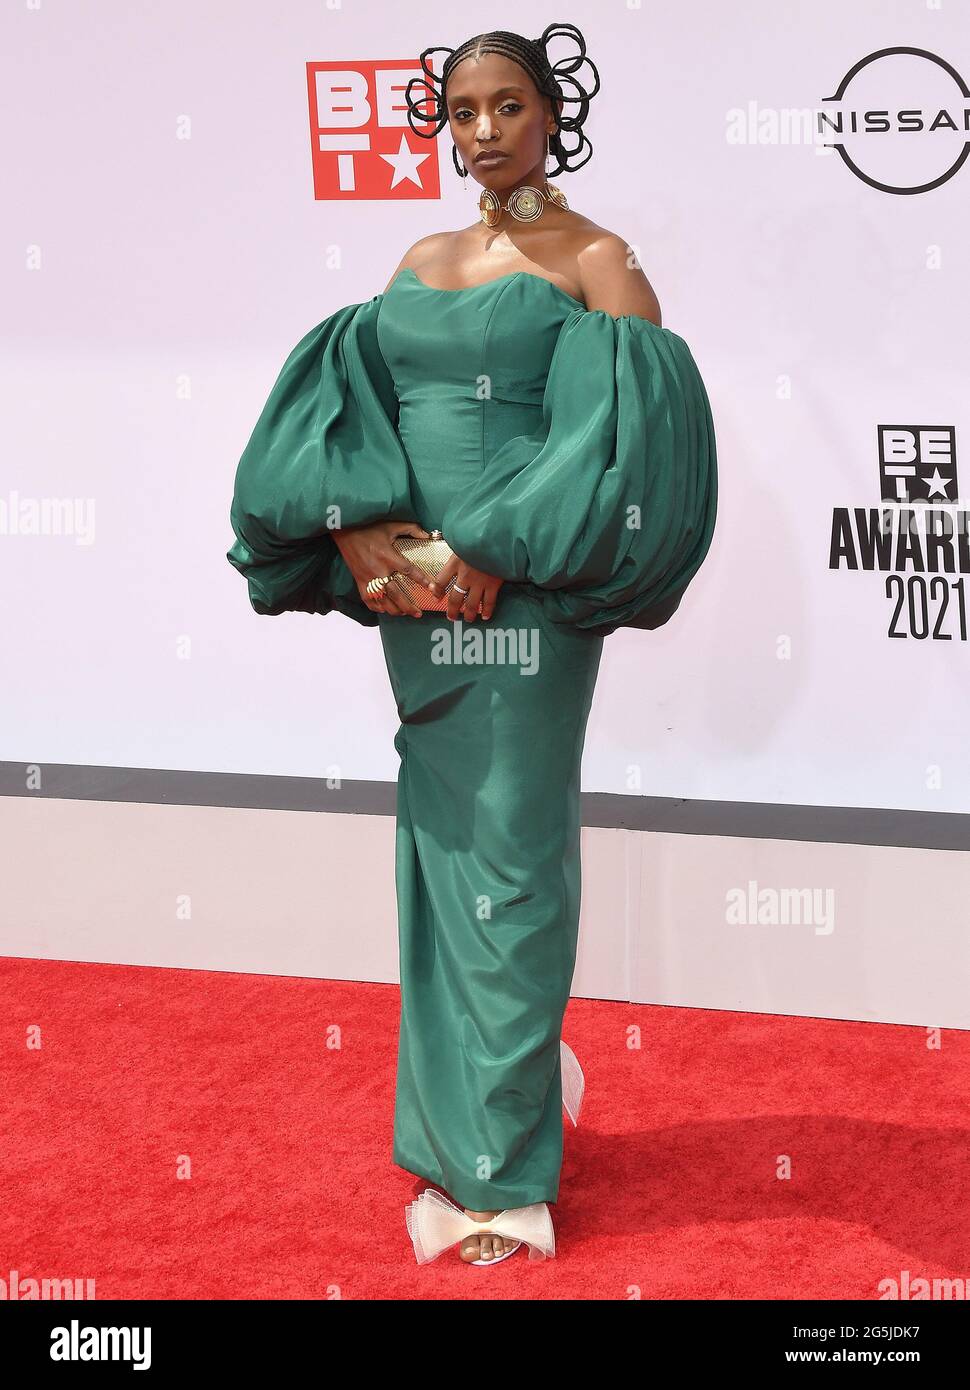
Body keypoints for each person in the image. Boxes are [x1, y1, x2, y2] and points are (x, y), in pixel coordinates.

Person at [226, 22, 718, 1267]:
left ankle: (496, 1183)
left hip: (527, 609)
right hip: (417, 609)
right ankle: (497, 1100)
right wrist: (357, 539)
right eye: (462, 109)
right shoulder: (419, 256)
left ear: (553, 113)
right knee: (445, 856)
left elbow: (624, 443)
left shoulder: (597, 262)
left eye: (508, 103)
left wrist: (491, 545)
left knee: (509, 854)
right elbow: (349, 421)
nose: (484, 127)